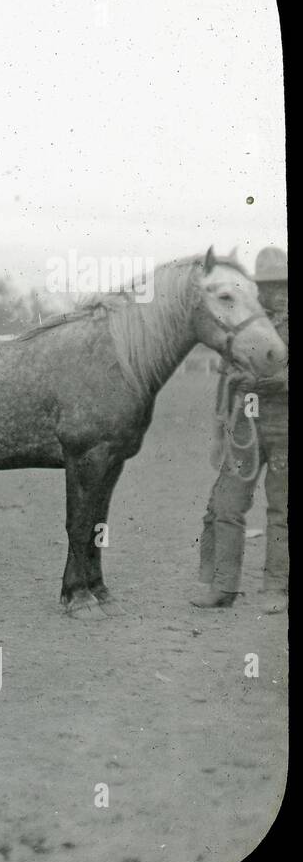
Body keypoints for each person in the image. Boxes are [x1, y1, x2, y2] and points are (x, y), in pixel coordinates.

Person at [192, 247, 289, 613]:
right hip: (244, 427)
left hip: (284, 428)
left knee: (281, 510)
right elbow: (224, 379)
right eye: (268, 286)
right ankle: (222, 585)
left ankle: (277, 587)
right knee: (225, 506)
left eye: (282, 285)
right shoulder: (246, 322)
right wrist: (219, 433)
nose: (275, 293)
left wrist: (265, 381)